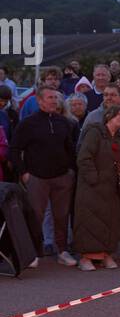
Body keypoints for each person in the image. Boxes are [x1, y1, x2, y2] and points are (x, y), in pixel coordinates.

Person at [9, 83, 78, 267]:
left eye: (56, 98)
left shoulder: (65, 122)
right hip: (37, 178)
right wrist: (24, 173)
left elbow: (70, 149)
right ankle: (33, 253)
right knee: (35, 217)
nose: (55, 101)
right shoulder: (28, 124)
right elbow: (14, 150)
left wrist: (71, 171)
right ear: (40, 101)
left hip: (62, 177)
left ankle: (62, 251)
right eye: (50, 97)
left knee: (61, 216)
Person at [73, 103, 120, 270]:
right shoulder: (94, 133)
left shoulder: (117, 137)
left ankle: (105, 254)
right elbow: (84, 157)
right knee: (89, 221)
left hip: (110, 188)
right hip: (92, 187)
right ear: (109, 116)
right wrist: (93, 178)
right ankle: (86, 257)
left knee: (109, 220)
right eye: (119, 115)